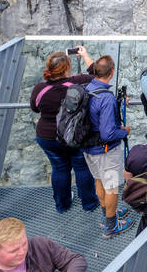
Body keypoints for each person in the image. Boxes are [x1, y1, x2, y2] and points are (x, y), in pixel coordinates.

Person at [29, 47, 100, 214]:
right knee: (81, 167)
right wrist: (85, 55)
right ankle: (88, 204)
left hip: (47, 136)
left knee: (59, 168)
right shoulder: (78, 81)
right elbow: (99, 75)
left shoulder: (40, 88)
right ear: (67, 67)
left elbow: (35, 108)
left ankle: (62, 205)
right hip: (74, 134)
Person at [82, 55, 133, 238]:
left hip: (89, 148)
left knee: (99, 181)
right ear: (111, 73)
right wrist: (124, 131)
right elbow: (108, 134)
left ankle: (106, 215)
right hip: (105, 151)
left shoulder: (88, 89)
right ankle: (111, 226)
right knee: (111, 188)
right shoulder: (106, 98)